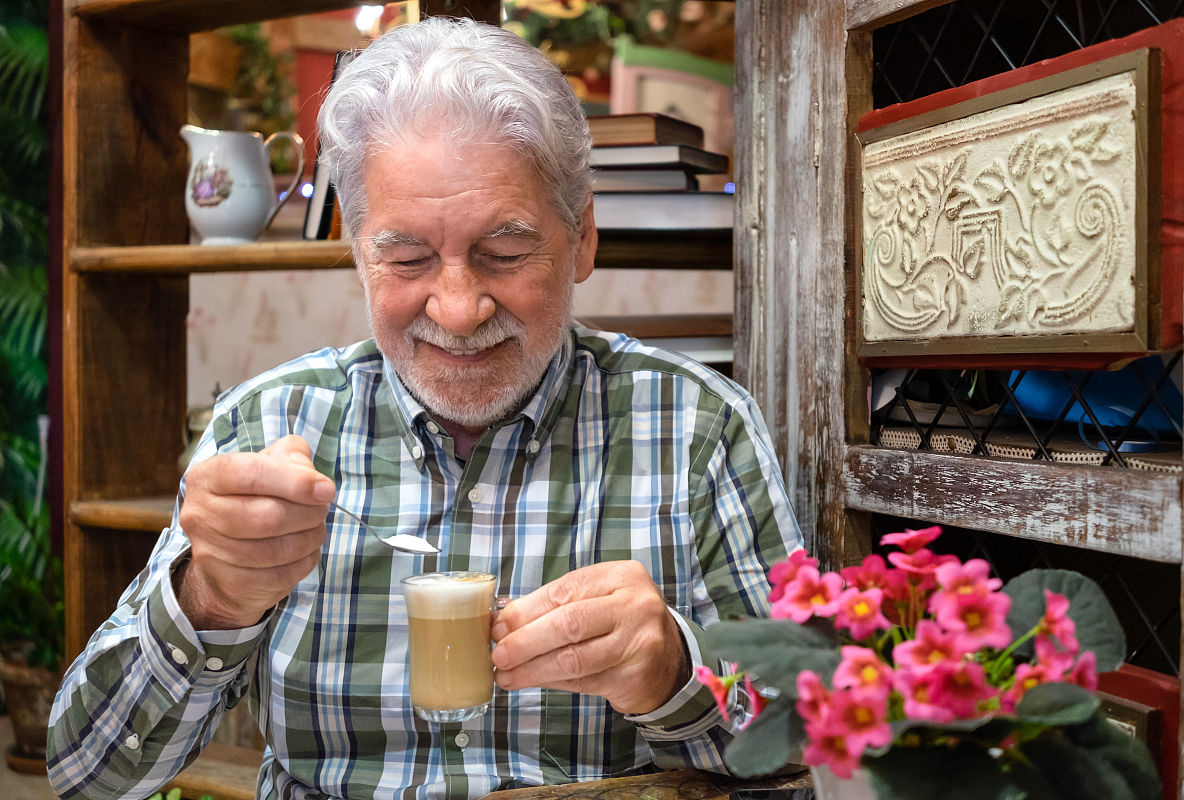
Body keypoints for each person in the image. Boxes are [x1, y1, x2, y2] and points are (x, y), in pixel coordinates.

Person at [47, 16, 804, 800]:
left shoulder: (699, 431)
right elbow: (87, 777)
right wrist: (208, 599)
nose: (457, 308)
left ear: (581, 238)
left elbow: (816, 754)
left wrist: (674, 677)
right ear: (358, 251)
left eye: (504, 254)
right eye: (406, 258)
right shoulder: (267, 429)